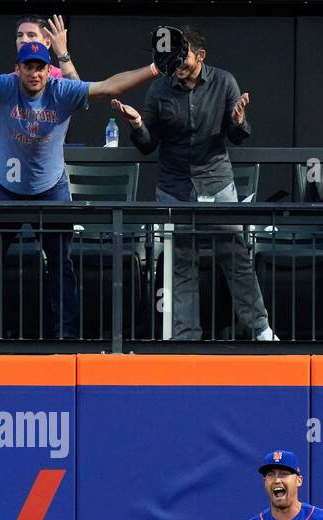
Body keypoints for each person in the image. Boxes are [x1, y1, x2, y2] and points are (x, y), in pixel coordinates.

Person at [0, 24, 156, 339]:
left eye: (40, 67)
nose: (34, 74)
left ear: (49, 71)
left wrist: (153, 68)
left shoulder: (62, 90)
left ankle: (65, 337)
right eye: (28, 67)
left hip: (51, 189)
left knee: (61, 268)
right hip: (3, 190)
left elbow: (109, 87)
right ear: (17, 69)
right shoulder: (2, 86)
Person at [112, 26, 277, 342]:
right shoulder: (160, 89)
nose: (178, 63)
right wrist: (136, 124)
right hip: (174, 188)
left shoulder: (224, 81)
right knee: (181, 265)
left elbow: (237, 137)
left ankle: (261, 330)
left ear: (200, 56)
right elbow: (148, 144)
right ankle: (185, 337)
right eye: (173, 58)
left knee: (237, 260)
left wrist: (239, 120)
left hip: (216, 183)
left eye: (183, 57)